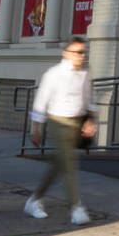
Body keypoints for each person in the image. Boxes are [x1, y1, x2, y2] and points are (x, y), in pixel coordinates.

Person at [23, 36, 96, 225]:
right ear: (66, 54)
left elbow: (89, 100)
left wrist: (90, 121)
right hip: (58, 122)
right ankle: (76, 208)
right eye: (78, 52)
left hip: (76, 123)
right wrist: (36, 129)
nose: (81, 56)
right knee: (70, 164)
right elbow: (41, 102)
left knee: (58, 165)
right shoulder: (54, 74)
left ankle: (35, 200)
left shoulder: (85, 75)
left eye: (83, 52)